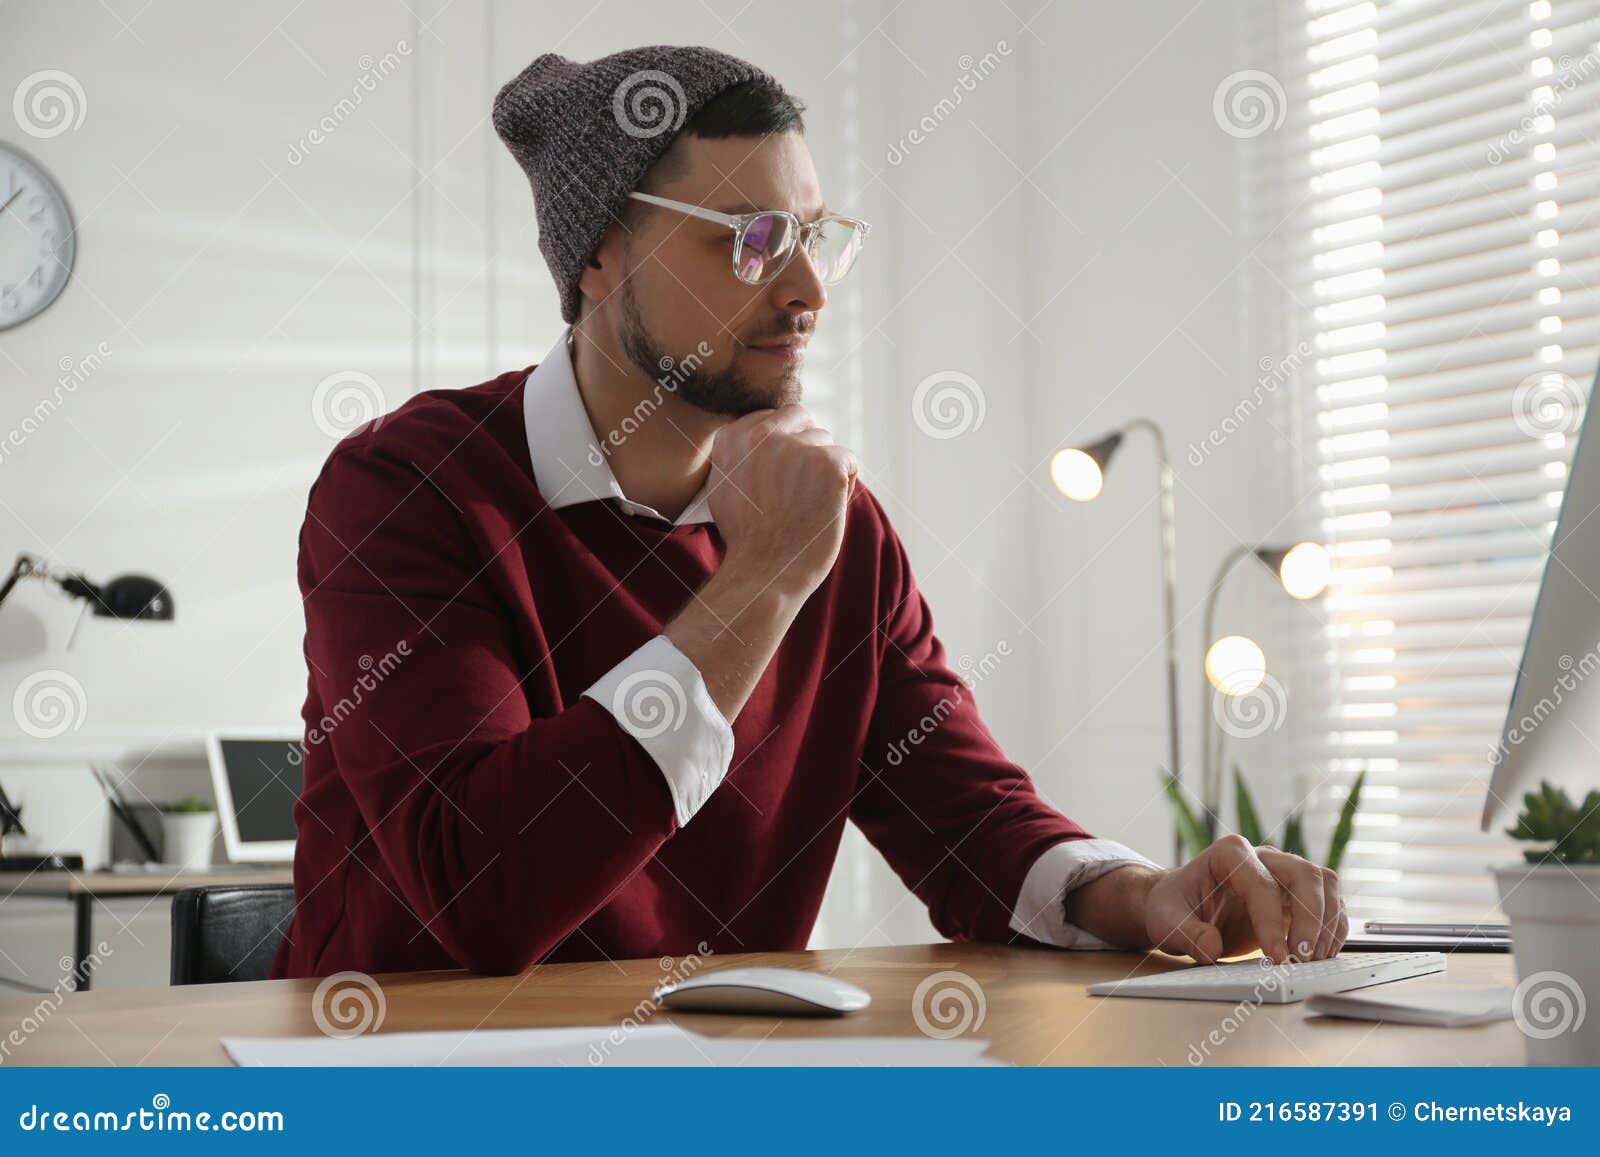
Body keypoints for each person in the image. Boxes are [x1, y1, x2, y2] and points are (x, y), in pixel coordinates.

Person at [271, 45, 1345, 980]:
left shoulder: (833, 523)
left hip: (708, 1081)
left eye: (813, 236)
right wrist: (761, 579)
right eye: (747, 239)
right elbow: (486, 889)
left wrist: (1144, 894)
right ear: (599, 254)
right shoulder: (407, 491)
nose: (807, 293)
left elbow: (962, 815)